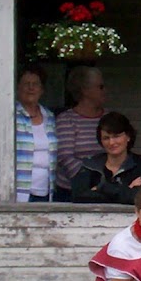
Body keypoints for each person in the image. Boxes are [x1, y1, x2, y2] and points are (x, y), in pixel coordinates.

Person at [71, 112, 141, 204]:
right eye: (106, 138)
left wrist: (101, 188)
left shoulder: (140, 165)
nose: (111, 142)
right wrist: (126, 190)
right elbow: (78, 197)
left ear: (128, 137)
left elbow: (140, 198)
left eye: (116, 136)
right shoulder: (90, 165)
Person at [54, 66, 107, 201]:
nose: (105, 91)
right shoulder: (67, 120)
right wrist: (90, 177)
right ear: (85, 90)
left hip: (105, 189)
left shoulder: (108, 118)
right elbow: (64, 157)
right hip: (70, 193)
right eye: (100, 87)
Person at [14, 63, 58, 203]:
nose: (31, 88)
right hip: (19, 192)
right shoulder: (12, 115)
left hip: (46, 191)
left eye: (35, 84)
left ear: (42, 89)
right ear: (18, 87)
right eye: (26, 83)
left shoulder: (49, 117)